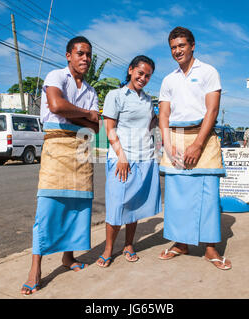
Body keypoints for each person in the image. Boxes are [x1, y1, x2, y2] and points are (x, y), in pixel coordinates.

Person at [21, 36, 100, 295]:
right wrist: (86, 114)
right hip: (56, 145)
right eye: (80, 53)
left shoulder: (91, 91)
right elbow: (56, 105)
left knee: (77, 205)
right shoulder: (56, 76)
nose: (85, 58)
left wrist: (80, 115)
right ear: (68, 55)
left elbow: (96, 126)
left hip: (80, 148)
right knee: (48, 206)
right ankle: (35, 268)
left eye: (88, 54)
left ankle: (68, 257)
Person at [157, 26, 232, 270]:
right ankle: (181, 243)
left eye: (181, 46)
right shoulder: (169, 79)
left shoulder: (209, 71)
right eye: (173, 48)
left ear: (192, 46)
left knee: (208, 194)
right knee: (178, 195)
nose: (177, 51)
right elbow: (164, 114)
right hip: (176, 139)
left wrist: (198, 144)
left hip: (204, 137)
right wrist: (167, 144)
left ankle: (210, 248)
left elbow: (212, 110)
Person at [96, 56, 162, 268]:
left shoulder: (147, 100)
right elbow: (109, 129)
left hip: (145, 157)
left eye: (148, 76)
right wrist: (121, 157)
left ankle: (128, 244)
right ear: (130, 70)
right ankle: (108, 250)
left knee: (133, 205)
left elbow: (149, 125)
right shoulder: (115, 95)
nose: (143, 78)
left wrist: (161, 116)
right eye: (140, 73)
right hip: (121, 158)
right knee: (116, 205)